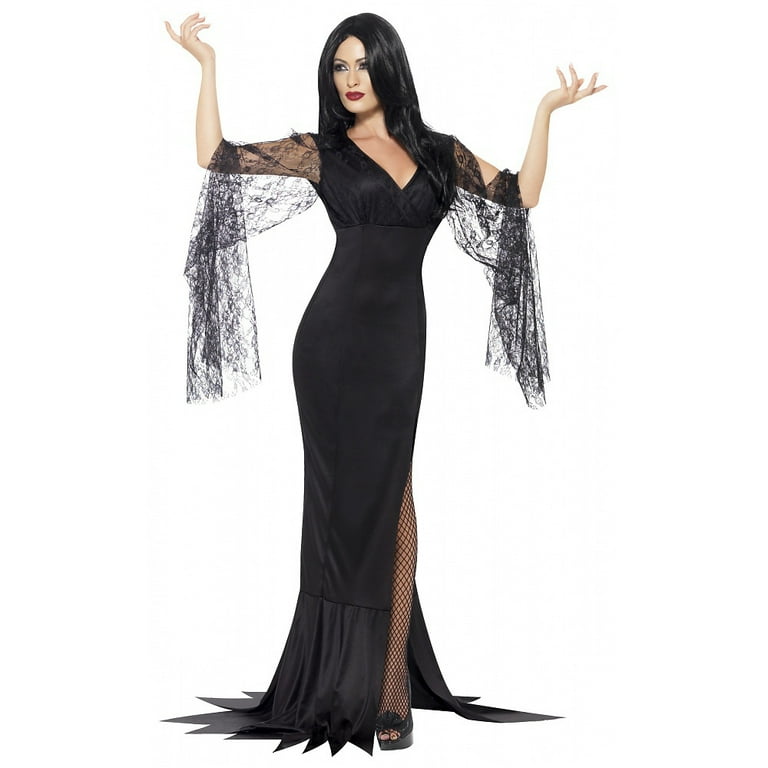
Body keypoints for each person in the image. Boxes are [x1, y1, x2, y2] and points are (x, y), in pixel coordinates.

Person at [161, 10, 605, 756]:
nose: (350, 79)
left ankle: (389, 680)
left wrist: (545, 112)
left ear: (389, 67)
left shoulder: (438, 152)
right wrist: (206, 65)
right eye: (338, 67)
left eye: (362, 64)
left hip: (399, 348)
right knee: (339, 511)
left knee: (395, 498)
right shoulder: (323, 151)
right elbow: (216, 156)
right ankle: (356, 681)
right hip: (329, 347)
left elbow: (520, 195)